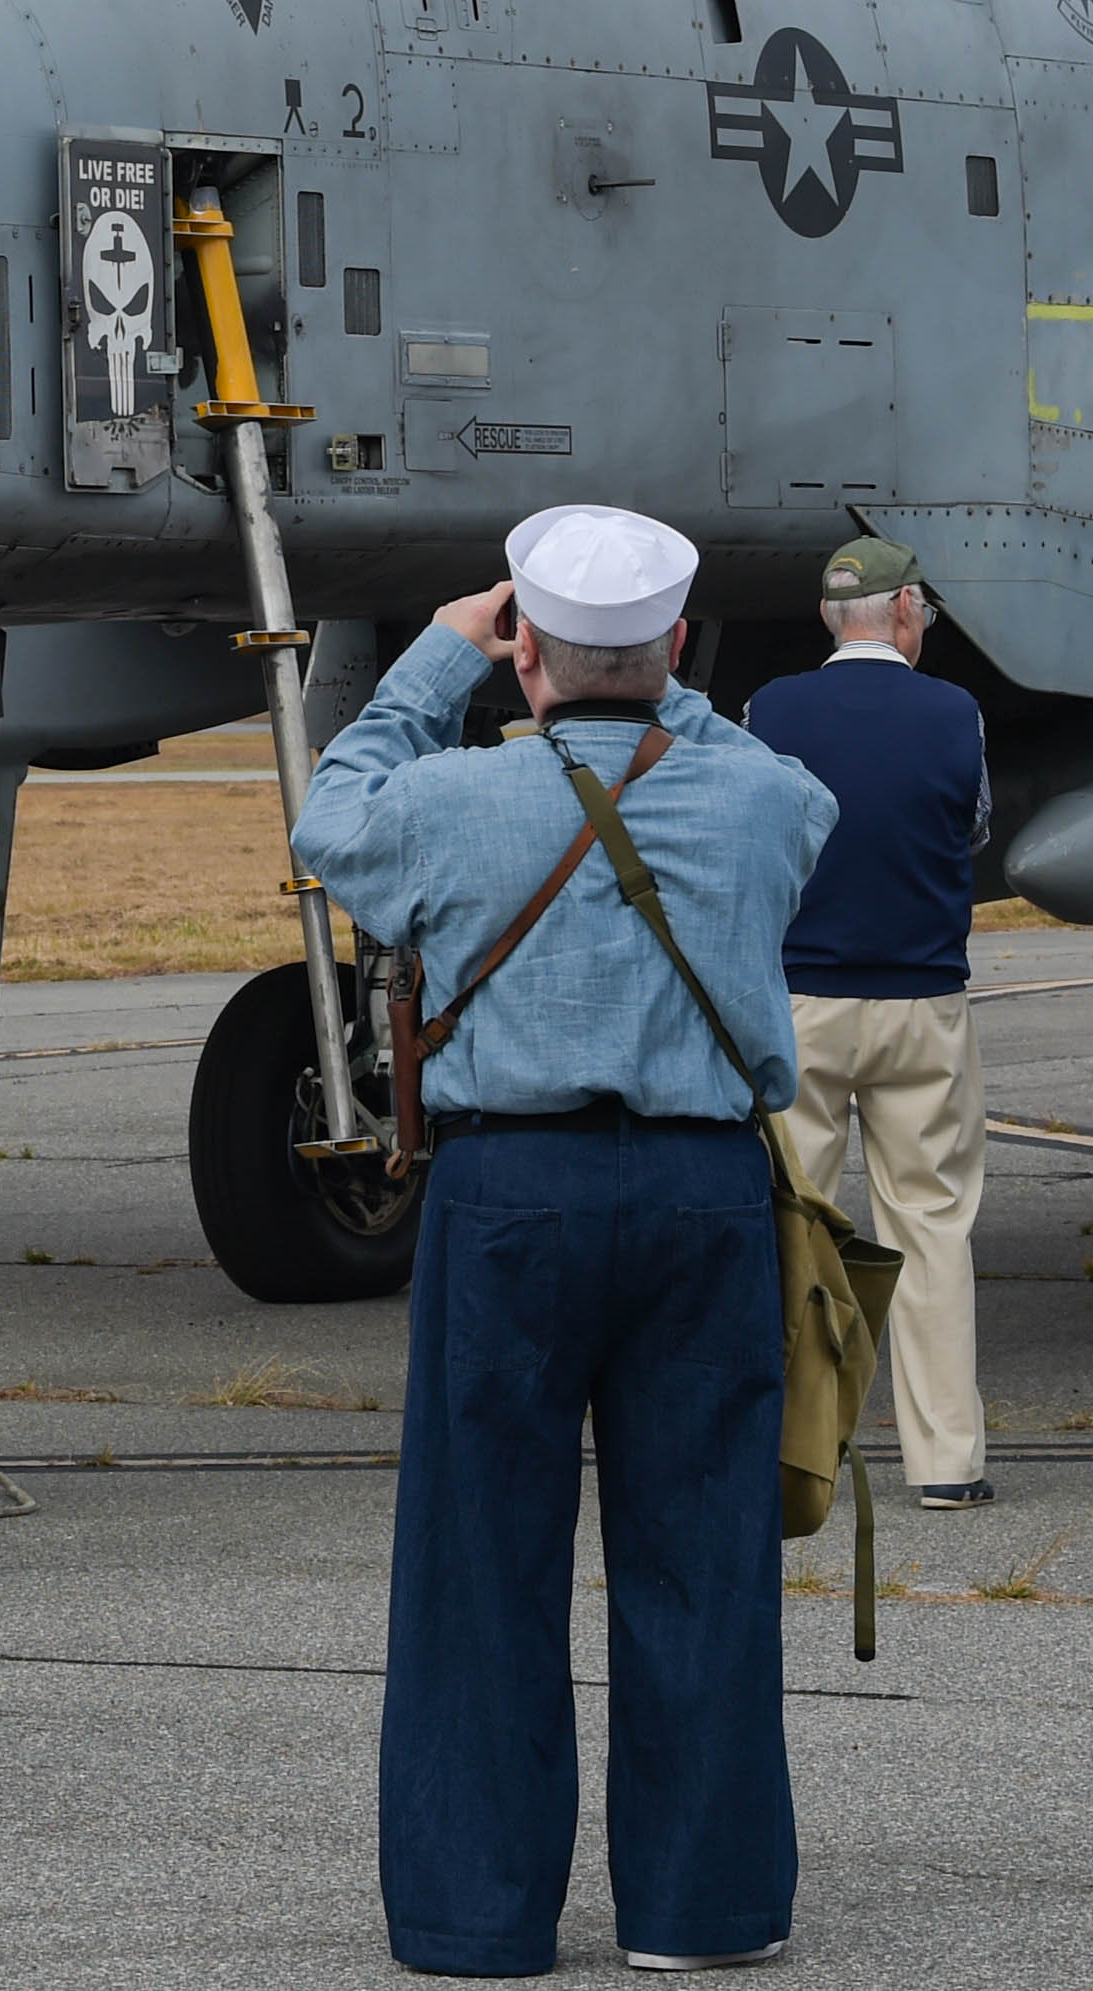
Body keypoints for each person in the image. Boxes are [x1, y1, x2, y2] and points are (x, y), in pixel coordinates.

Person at [295, 505, 836, 1980]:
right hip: (699, 1191)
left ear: (521, 647)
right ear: (673, 645)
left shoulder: (452, 797)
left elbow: (327, 813)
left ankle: (479, 1914)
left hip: (508, 1190)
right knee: (703, 1546)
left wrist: (430, 666)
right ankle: (702, 1906)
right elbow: (796, 801)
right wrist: (656, 688)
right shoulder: (751, 796)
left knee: (481, 1558)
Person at [745, 539, 996, 1511]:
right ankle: (946, 1459)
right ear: (904, 613)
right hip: (921, 1002)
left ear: (826, 618)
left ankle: (798, 1453)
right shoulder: (954, 712)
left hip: (799, 999)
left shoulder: (768, 710)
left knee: (797, 1225)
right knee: (929, 1224)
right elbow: (968, 825)